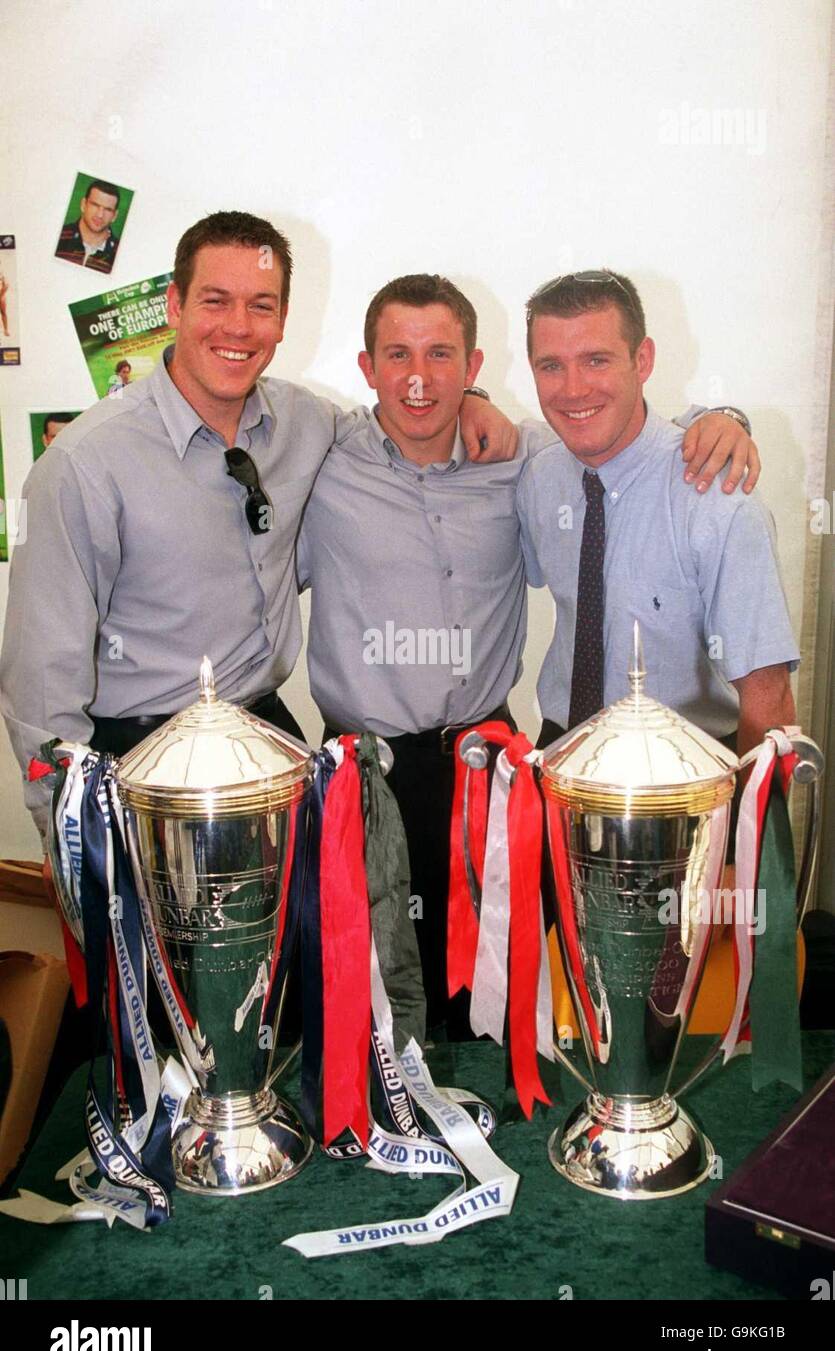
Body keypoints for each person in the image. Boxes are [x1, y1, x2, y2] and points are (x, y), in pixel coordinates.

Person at [297, 273, 759, 1036]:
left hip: (488, 775)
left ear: (473, 365)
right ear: (365, 365)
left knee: (496, 1006)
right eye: (398, 354)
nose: (419, 378)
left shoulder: (523, 456)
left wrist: (723, 418)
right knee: (360, 1002)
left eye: (441, 354)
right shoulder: (320, 458)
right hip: (361, 773)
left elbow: (625, 436)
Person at [0, 213, 513, 838]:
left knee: (301, 939)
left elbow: (409, 415)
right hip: (139, 764)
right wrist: (72, 835)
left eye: (260, 306)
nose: (239, 327)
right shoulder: (85, 464)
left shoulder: (309, 424)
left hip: (271, 752)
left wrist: (475, 398)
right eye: (216, 301)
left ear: (282, 319)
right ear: (175, 305)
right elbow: (39, 682)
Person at [517, 270, 799, 755]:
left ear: (642, 359)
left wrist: (746, 827)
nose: (573, 389)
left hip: (687, 771)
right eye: (551, 366)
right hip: (561, 753)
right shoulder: (539, 478)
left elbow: (767, 697)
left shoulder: (716, 495)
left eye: (596, 360)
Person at [55, 180, 121, 273]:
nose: (100, 215)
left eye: (108, 210)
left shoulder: (120, 253)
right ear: (83, 205)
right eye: (95, 205)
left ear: (114, 216)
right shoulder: (57, 236)